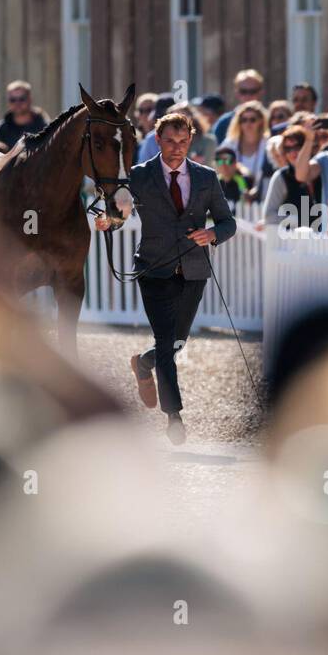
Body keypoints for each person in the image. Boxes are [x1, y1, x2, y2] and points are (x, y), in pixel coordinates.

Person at [95, 112, 236, 446]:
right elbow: (122, 210)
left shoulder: (206, 177)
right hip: (154, 268)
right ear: (157, 140)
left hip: (194, 270)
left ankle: (143, 364)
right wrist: (110, 222)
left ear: (191, 141)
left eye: (183, 141)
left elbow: (228, 222)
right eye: (170, 141)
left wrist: (212, 234)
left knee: (177, 342)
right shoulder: (139, 175)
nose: (177, 148)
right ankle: (174, 416)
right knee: (164, 339)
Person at [263, 126, 324, 228]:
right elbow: (269, 215)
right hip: (293, 240)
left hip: (325, 239)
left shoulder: (322, 168)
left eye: (297, 147)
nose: (293, 153)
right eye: (288, 149)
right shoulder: (281, 177)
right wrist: (295, 221)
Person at [220, 100, 273, 201]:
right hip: (234, 197)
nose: (248, 123)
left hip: (264, 197)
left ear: (261, 121)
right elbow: (219, 167)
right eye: (243, 120)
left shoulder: (269, 143)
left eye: (252, 119)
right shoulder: (230, 143)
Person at [0, 81, 49, 150]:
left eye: (22, 99)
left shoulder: (45, 128)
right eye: (13, 100)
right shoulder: (1, 129)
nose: (17, 103)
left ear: (30, 100)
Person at [213, 69, 265, 143]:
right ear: (237, 93)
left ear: (261, 92)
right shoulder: (224, 122)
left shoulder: (271, 119)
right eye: (243, 91)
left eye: (253, 91)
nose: (248, 96)